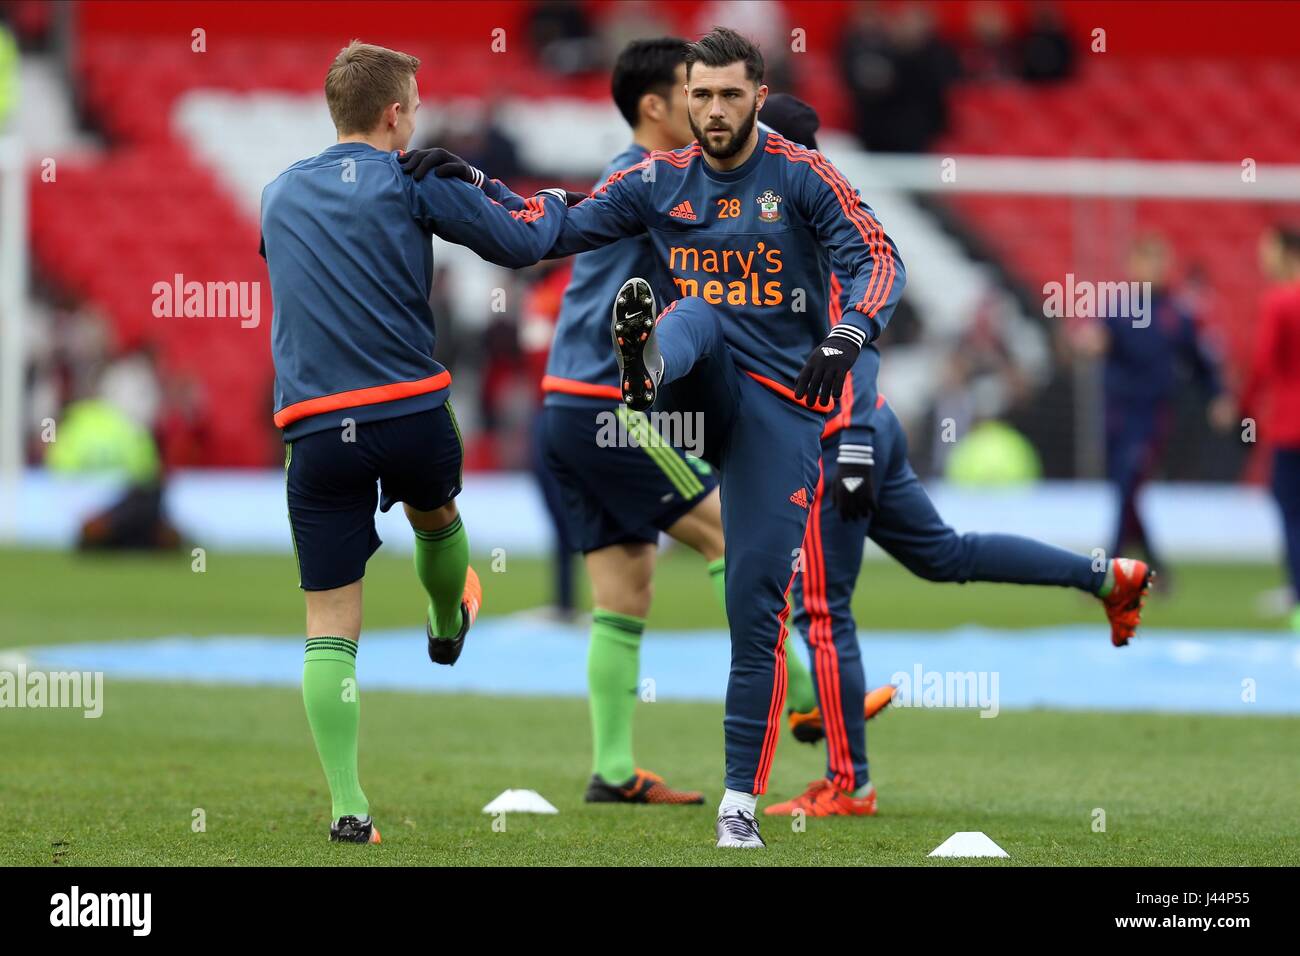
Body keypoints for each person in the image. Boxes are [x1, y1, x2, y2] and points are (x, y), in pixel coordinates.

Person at [749, 95, 1155, 818]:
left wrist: (846, 444)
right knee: (945, 554)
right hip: (872, 425)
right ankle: (1105, 577)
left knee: (820, 606)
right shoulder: (831, 216)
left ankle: (850, 784)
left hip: (840, 432)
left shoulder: (802, 227)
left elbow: (853, 342)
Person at [259, 40, 572, 845]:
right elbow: (518, 242)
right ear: (396, 113)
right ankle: (443, 618)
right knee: (436, 518)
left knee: (328, 626)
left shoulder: (277, 195)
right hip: (409, 409)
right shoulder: (412, 181)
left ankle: (348, 807)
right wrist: (469, 179)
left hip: (316, 426)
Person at [1074, 235, 1231, 583]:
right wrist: (1087, 345)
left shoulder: (1177, 314)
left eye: (1158, 263)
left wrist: (1218, 397)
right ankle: (1158, 570)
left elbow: (1202, 362)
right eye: (1146, 262)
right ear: (1133, 266)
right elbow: (1097, 340)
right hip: (1116, 415)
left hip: (1151, 417)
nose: (1153, 270)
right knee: (1126, 493)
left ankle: (1106, 574)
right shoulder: (1118, 308)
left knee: (1129, 486)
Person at [1241, 226, 1300, 632]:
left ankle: (1297, 593)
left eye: (1267, 250)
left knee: (1291, 511)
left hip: (1290, 424)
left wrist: (1240, 407)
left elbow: (1262, 362)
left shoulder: (1279, 301)